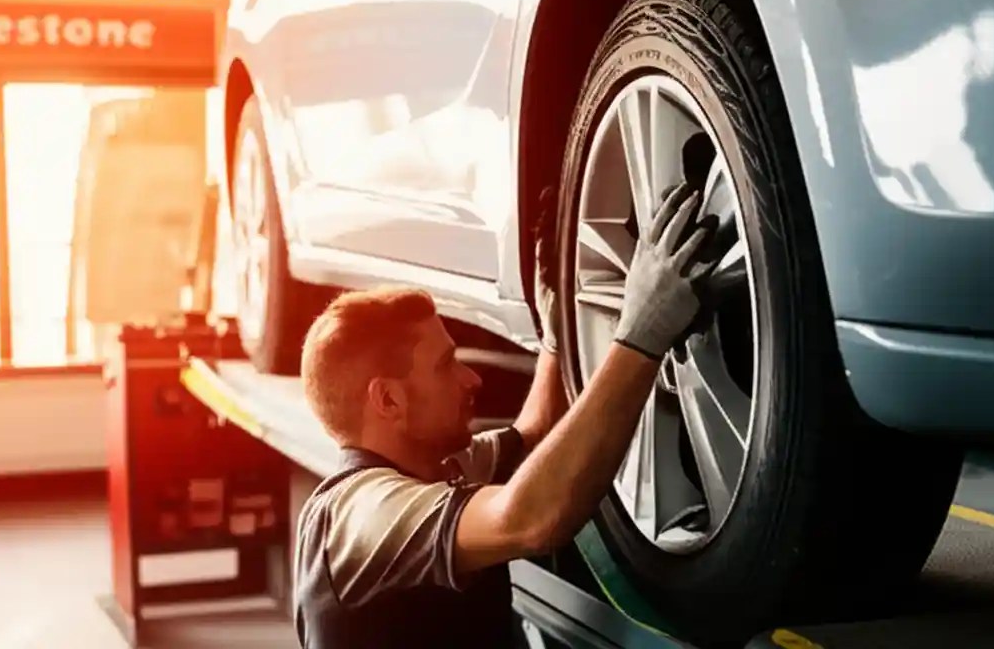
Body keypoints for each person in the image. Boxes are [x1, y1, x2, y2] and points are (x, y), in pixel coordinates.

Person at [292, 183, 716, 648]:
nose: (471, 380)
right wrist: (642, 334)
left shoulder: (434, 469)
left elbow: (533, 438)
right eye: (444, 366)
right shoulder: (362, 515)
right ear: (388, 401)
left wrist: (554, 340)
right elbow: (531, 518)